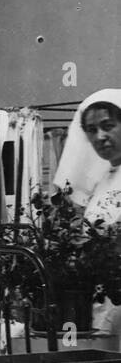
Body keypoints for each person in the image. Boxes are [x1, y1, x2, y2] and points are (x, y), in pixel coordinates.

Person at [52, 88, 121, 333]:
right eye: (92, 130)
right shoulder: (101, 182)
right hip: (105, 302)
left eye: (108, 125)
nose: (100, 136)